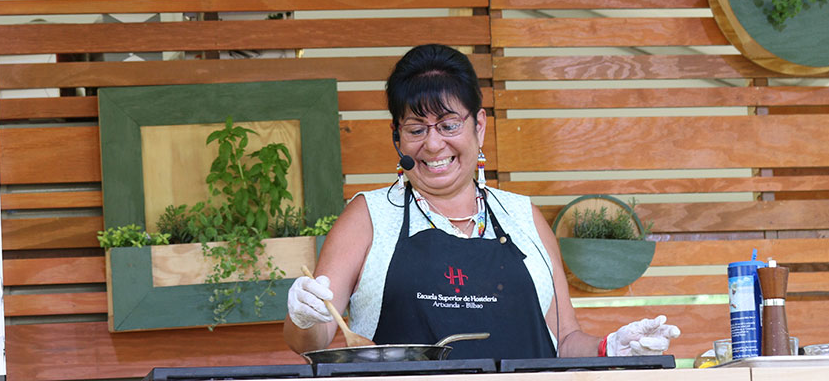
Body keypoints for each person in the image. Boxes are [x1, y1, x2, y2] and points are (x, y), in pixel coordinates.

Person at [283, 43, 680, 360]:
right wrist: (304, 315)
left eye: (449, 124)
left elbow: (563, 341)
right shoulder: (369, 216)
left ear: (480, 125)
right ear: (397, 137)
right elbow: (310, 340)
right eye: (416, 128)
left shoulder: (524, 217)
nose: (434, 143)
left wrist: (608, 349)